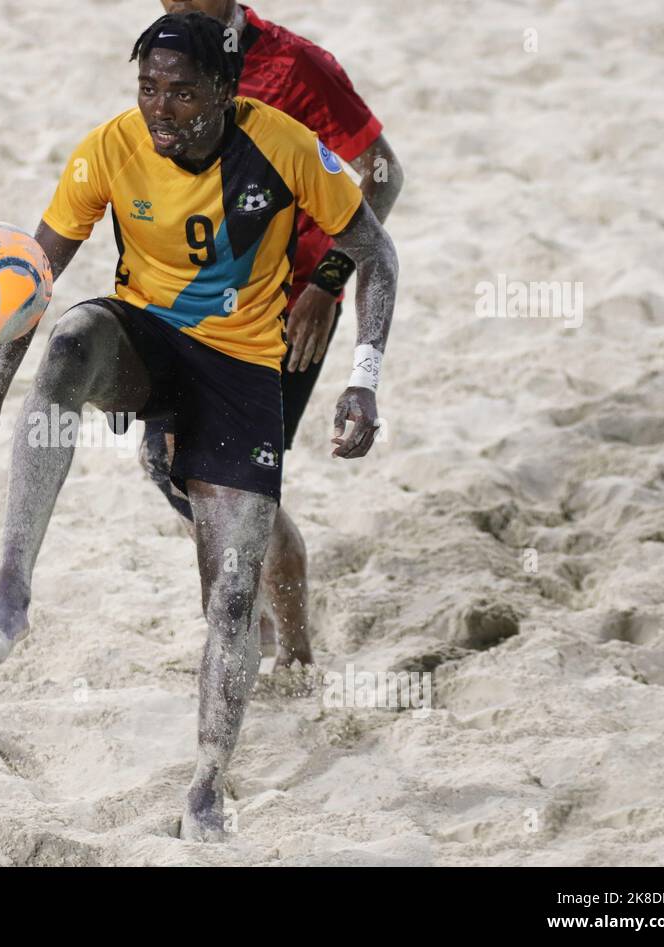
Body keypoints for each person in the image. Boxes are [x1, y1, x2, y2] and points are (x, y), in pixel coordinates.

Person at [0, 12, 398, 841]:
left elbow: (377, 238)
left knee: (230, 594)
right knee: (73, 339)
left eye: (181, 93)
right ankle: (11, 588)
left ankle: (206, 786)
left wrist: (361, 372)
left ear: (226, 91)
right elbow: (33, 283)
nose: (160, 109)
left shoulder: (288, 135)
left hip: (247, 363)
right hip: (147, 343)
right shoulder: (108, 148)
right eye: (148, 88)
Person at [144, 0, 405, 669]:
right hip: (195, 304)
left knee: (241, 487)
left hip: (290, 308)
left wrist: (328, 279)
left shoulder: (296, 67)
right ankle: (258, 627)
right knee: (171, 466)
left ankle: (292, 656)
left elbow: (381, 170)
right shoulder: (171, 55)